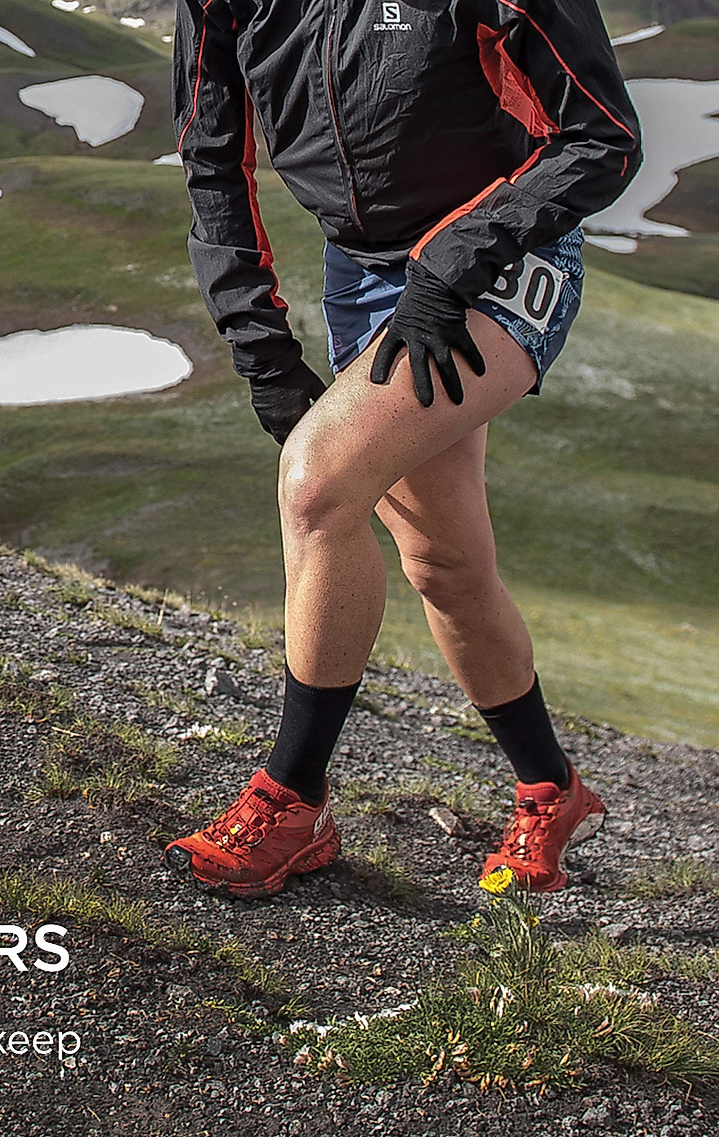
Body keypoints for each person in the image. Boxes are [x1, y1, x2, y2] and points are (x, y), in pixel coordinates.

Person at [163, 0, 642, 899]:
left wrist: (451, 264)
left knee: (318, 484)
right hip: (362, 272)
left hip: (501, 253)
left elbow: (603, 138)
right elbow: (212, 162)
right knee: (444, 563)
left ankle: (292, 799)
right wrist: (261, 349)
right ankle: (553, 790)